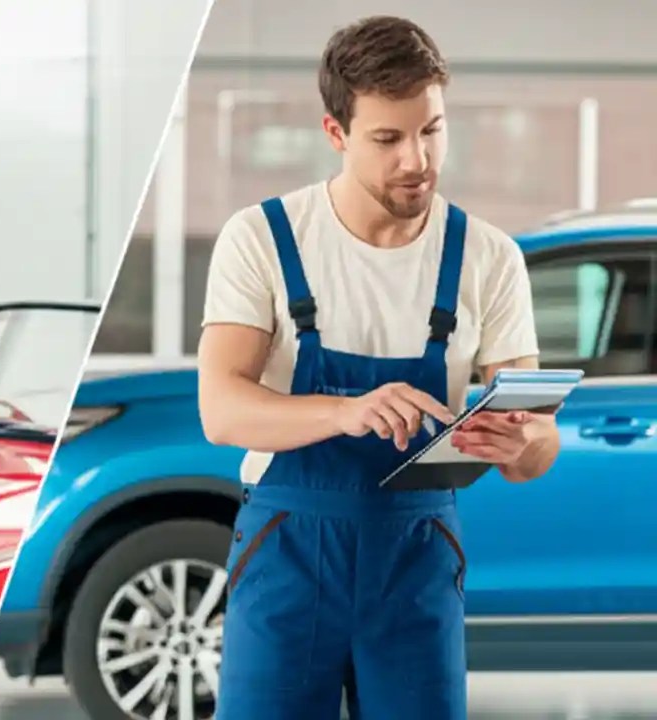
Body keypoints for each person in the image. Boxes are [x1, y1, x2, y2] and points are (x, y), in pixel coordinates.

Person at [198, 15, 561, 720]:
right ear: (336, 134)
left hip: (418, 557)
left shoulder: (487, 258)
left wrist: (525, 444)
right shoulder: (264, 239)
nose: (416, 160)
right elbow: (222, 410)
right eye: (388, 139)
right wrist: (344, 410)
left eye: (431, 130)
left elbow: (537, 443)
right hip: (289, 552)